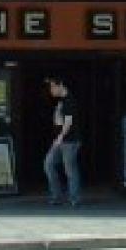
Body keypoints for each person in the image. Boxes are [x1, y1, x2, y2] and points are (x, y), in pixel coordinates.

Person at [43, 76, 82, 207]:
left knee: (70, 169)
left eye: (53, 86)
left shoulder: (69, 100)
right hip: (60, 140)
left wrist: (60, 137)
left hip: (69, 141)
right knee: (49, 164)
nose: (51, 90)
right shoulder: (62, 101)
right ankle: (57, 196)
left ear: (61, 85)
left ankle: (74, 198)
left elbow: (68, 122)